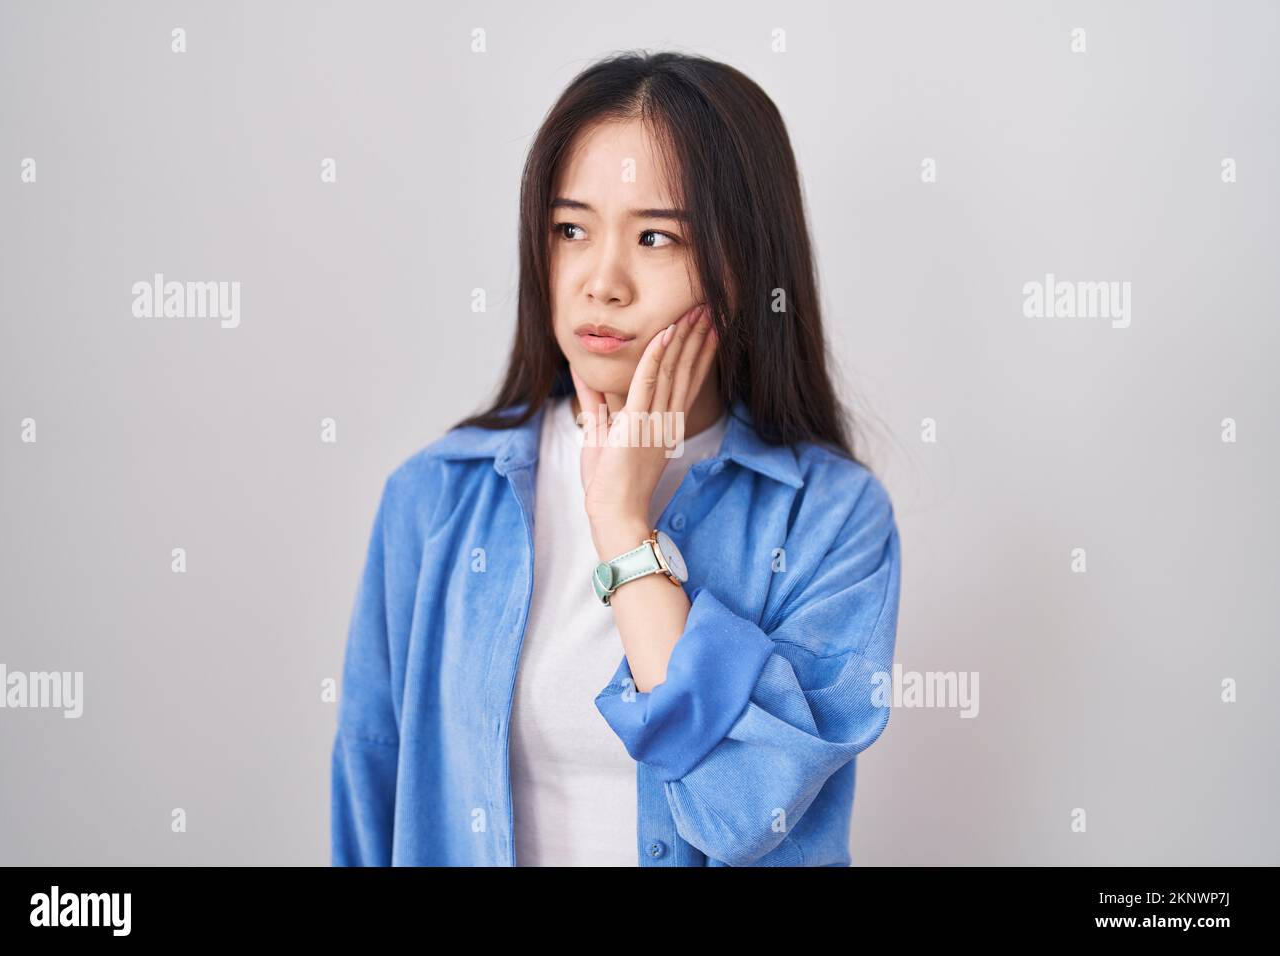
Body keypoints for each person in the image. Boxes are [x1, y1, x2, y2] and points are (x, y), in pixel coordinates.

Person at [331, 49, 901, 867]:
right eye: (571, 230)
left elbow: (744, 811)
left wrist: (624, 528)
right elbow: (368, 791)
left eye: (657, 237)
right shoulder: (434, 499)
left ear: (745, 266)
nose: (602, 282)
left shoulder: (830, 517)